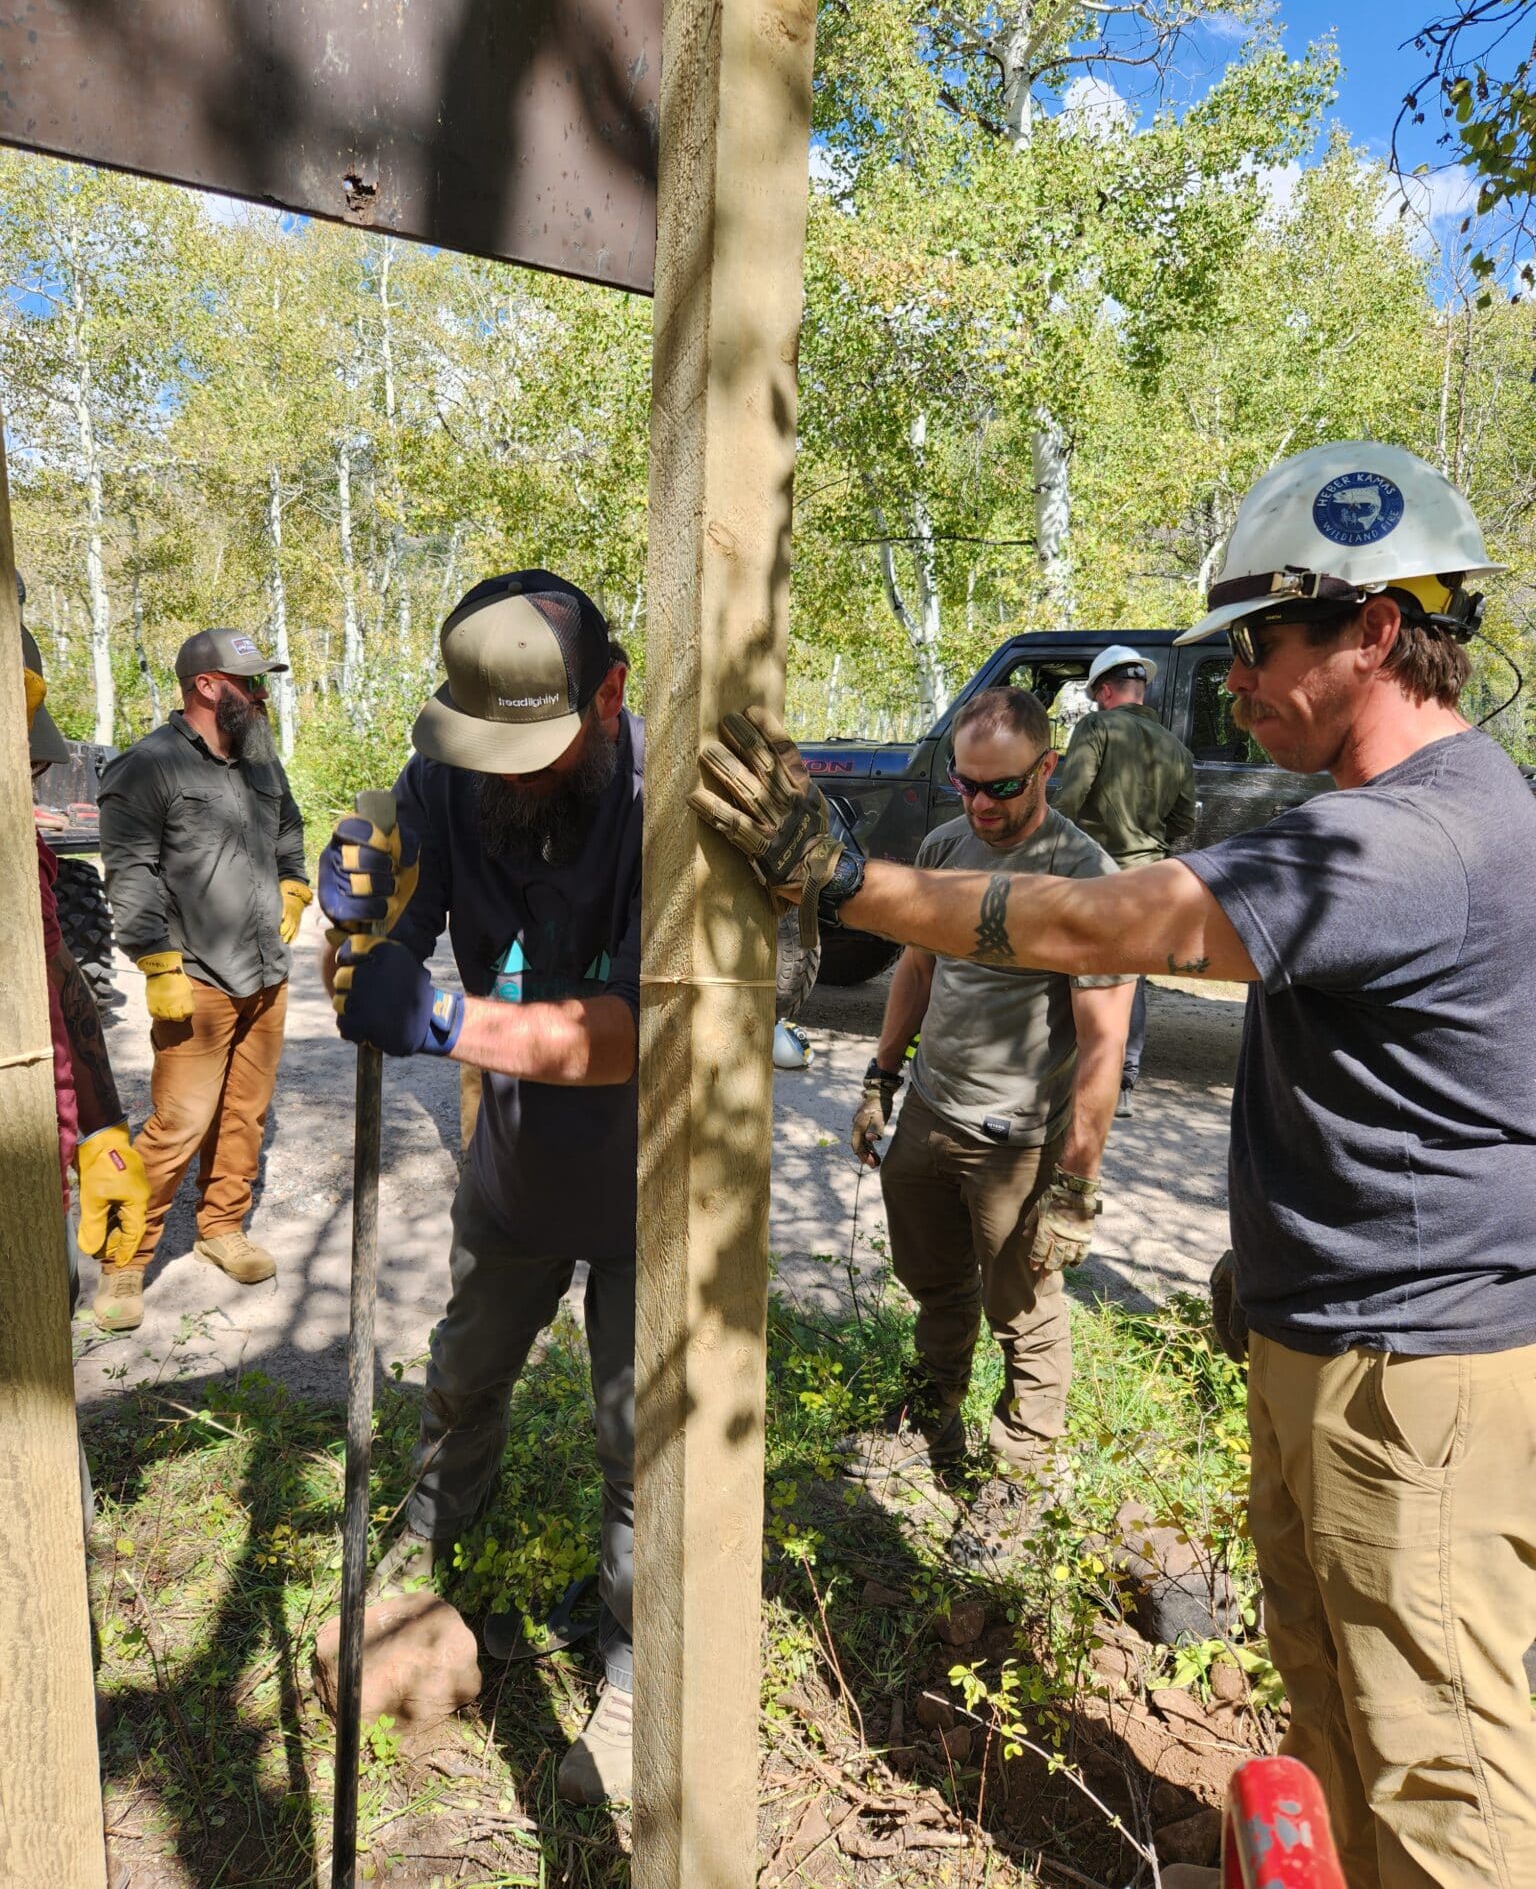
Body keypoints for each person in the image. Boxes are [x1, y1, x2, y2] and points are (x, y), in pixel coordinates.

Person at [691, 442, 1535, 1889]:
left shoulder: (1405, 839)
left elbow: (1108, 928)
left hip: (1413, 1378)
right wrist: (1281, 1257)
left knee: (1444, 1765)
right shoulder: (1433, 817)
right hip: (1346, 1336)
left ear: (1378, 630)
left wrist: (841, 880)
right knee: (1332, 1690)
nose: (1237, 680)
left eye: (1264, 645)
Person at [317, 570, 641, 1808]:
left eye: (533, 757)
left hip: (658, 1184)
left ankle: (635, 1673)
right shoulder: (455, 778)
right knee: (463, 1375)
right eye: (484, 757)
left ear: (608, 695)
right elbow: (376, 924)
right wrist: (360, 926)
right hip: (516, 1169)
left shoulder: (669, 806)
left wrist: (443, 1012)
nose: (506, 780)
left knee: (638, 1434)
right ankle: (435, 1566)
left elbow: (634, 1034)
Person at [846, 686, 1132, 1529]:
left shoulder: (1083, 875)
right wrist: (879, 1080)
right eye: (966, 783)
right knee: (933, 1282)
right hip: (932, 1112)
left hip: (1017, 1141)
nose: (981, 804)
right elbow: (917, 969)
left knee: (1027, 1313)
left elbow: (1103, 1043)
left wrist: (1075, 1188)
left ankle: (1019, 1471)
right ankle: (930, 1406)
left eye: (1002, 786)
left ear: (1047, 768)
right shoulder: (942, 844)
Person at [95, 629, 310, 1330]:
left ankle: (221, 1227)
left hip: (265, 975)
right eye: (249, 682)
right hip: (195, 980)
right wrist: (156, 963)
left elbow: (289, 827)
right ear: (207, 686)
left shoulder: (258, 754)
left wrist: (293, 886)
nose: (260, 694)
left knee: (245, 1113)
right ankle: (123, 1266)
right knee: (177, 1125)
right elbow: (131, 873)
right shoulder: (147, 767)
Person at [22, 614, 150, 1532]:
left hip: (39, 1163)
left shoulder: (24, 851)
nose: (35, 777)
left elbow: (62, 973)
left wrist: (103, 1129)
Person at [1051, 643, 1196, 1116]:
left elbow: (1071, 798)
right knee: (1128, 975)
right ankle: (1124, 1083)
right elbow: (1184, 824)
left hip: (1096, 872)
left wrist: (1043, 845)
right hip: (1146, 879)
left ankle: (1065, 1071)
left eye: (1095, 696)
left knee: (1070, 965)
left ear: (1106, 691)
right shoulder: (1176, 746)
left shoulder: (1096, 728)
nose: (1094, 704)